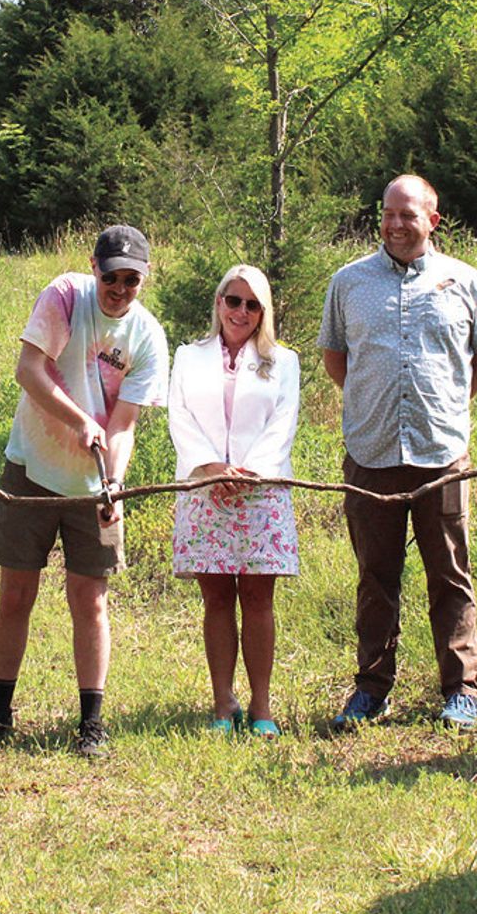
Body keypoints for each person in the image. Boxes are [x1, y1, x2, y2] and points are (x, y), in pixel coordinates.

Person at [0, 226, 170, 758]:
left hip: (93, 487)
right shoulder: (65, 297)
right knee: (16, 593)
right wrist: (78, 420)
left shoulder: (148, 337)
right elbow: (29, 370)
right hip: (31, 469)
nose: (119, 288)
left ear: (143, 280)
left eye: (131, 279)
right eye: (111, 275)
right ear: (93, 267)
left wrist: (112, 485)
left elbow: (123, 424)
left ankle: (91, 723)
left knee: (89, 599)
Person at [318, 175, 477, 732]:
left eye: (408, 215)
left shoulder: (464, 282)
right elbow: (336, 360)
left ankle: (461, 691)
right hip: (370, 453)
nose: (396, 224)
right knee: (376, 577)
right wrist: (372, 408)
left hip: (441, 453)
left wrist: (444, 408)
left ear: (433, 219)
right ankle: (371, 690)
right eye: (388, 214)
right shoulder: (349, 282)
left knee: (449, 575)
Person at [167, 265, 300, 738]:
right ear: (219, 301)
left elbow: (283, 423)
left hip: (260, 492)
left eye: (252, 304)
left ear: (263, 312)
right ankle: (224, 704)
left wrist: (248, 473)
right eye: (233, 300)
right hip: (205, 491)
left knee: (259, 599)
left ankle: (262, 706)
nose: (240, 312)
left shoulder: (283, 361)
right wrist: (208, 468)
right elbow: (178, 415)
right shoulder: (188, 355)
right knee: (216, 598)